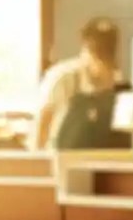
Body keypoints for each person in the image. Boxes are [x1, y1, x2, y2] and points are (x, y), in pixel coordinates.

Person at [33, 18, 121, 150]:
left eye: (106, 57)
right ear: (85, 50)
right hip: (61, 158)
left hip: (98, 156)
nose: (102, 63)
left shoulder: (115, 79)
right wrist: (37, 160)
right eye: (97, 55)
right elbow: (44, 121)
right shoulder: (63, 76)